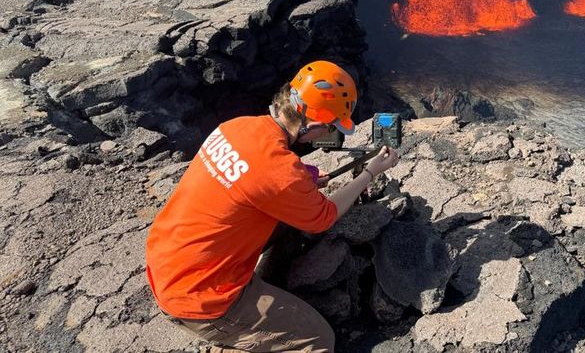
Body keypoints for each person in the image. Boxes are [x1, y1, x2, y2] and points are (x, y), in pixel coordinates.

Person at [145, 60, 399, 352]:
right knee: (319, 341)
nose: (325, 133)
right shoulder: (280, 173)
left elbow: (257, 176)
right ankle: (234, 332)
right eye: (328, 127)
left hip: (166, 263)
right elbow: (324, 216)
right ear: (313, 123)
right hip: (200, 296)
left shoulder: (236, 127)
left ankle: (268, 287)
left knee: (287, 221)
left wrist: (307, 180)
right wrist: (370, 172)